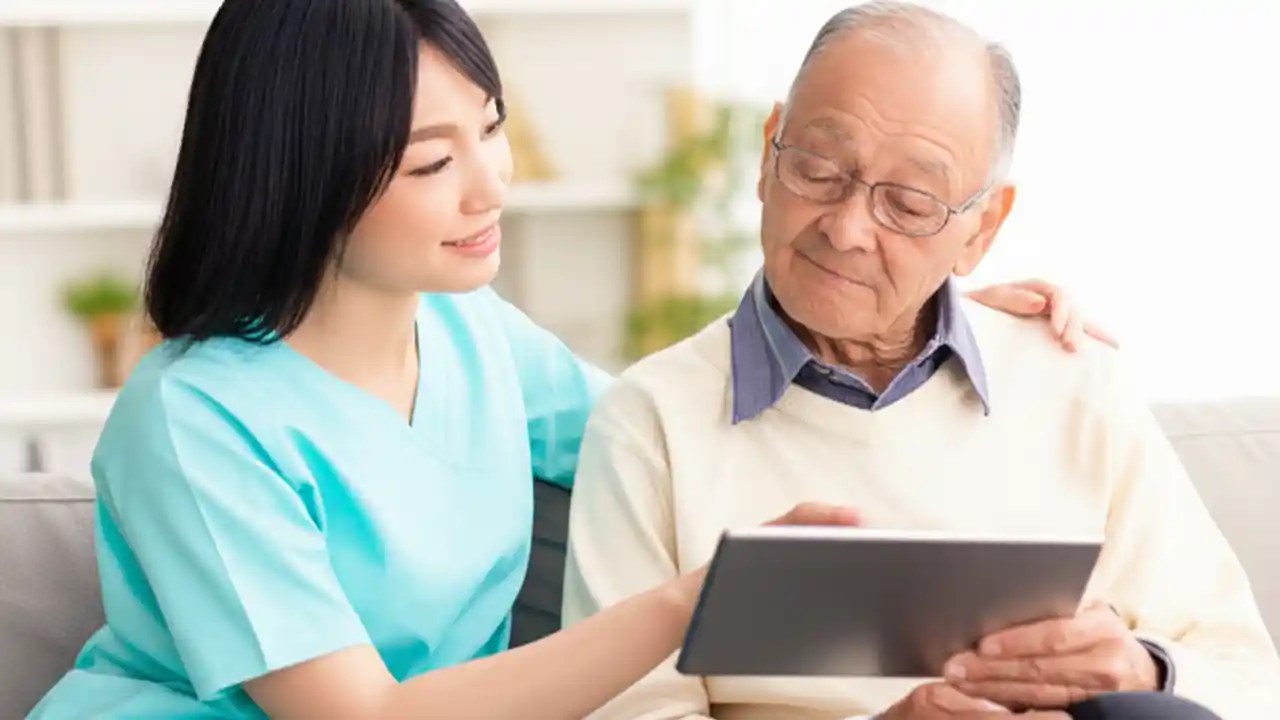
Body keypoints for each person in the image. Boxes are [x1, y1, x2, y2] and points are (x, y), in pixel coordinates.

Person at [31, 1, 1106, 719]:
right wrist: (687, 605)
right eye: (431, 161)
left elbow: (695, 422)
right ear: (297, 176)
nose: (489, 187)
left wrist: (916, 313)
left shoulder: (472, 337)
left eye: (490, 132)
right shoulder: (196, 420)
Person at [562, 3, 1280, 720]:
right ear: (767, 153)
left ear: (982, 228)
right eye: (816, 168)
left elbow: (1249, 679)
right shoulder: (651, 421)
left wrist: (1143, 667)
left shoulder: (1073, 382)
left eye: (908, 204)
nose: (846, 231)